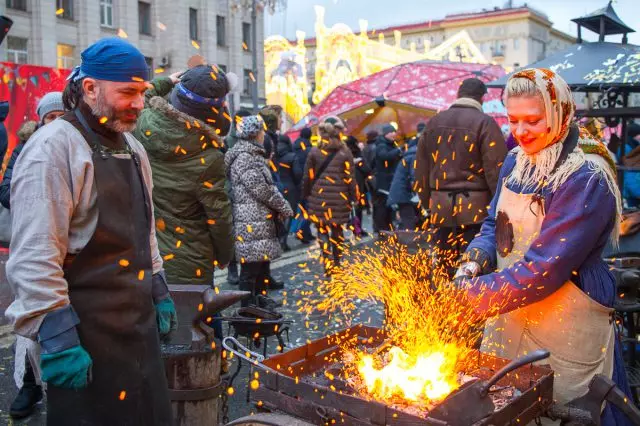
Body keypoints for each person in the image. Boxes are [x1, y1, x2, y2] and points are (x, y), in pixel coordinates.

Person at [4, 38, 176, 425]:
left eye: (142, 93)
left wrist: (158, 285)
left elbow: (144, 229)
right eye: (127, 92)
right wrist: (57, 336)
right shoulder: (53, 149)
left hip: (137, 325)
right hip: (84, 332)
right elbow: (34, 254)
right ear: (90, 88)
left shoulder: (133, 147)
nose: (138, 103)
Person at [455, 68, 632, 425]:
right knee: (508, 400)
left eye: (533, 121)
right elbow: (494, 224)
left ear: (561, 114)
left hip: (568, 309)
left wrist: (467, 299)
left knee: (563, 403)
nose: (520, 132)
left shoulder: (586, 176)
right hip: (510, 301)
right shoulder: (514, 161)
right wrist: (471, 264)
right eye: (513, 120)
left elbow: (544, 269)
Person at [133, 65, 234, 286]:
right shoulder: (209, 157)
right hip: (189, 261)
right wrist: (225, 255)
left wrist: (167, 81)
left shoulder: (142, 121)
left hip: (143, 255)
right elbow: (218, 215)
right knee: (200, 318)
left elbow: (145, 94)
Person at [2, 92, 65, 419]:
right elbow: (6, 189)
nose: (53, 122)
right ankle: (29, 383)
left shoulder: (73, 146)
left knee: (59, 313)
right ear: (40, 119)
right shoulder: (26, 147)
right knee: (29, 313)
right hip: (30, 240)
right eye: (48, 117)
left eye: (59, 116)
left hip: (64, 246)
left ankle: (59, 383)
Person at [415, 78, 506, 271]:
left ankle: (443, 300)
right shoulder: (485, 123)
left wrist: (427, 204)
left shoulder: (434, 123)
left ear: (459, 94)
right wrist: (501, 208)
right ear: (482, 98)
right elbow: (496, 171)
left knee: (444, 265)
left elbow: (421, 170)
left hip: (441, 208)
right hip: (477, 211)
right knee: (473, 265)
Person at [225, 115, 293, 307]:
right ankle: (247, 309)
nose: (264, 134)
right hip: (251, 221)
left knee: (261, 264)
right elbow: (261, 189)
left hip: (258, 219)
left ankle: (261, 303)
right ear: (255, 133)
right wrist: (284, 206)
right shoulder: (245, 157)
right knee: (250, 269)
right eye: (262, 131)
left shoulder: (252, 154)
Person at [302, 117, 356, 275]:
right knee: (337, 232)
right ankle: (338, 262)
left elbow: (307, 177)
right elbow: (350, 178)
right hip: (340, 198)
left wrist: (305, 195)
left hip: (318, 199)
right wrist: (354, 197)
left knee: (322, 231)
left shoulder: (314, 151)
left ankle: (328, 264)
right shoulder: (345, 152)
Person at [225, 109, 252, 286]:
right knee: (235, 233)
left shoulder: (247, 140)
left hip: (245, 192)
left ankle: (247, 270)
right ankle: (232, 269)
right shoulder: (230, 142)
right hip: (234, 192)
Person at [387, 125, 421, 231]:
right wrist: (419, 192)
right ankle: (408, 244)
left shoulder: (410, 154)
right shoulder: (415, 155)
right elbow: (414, 175)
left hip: (401, 193)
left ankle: (407, 242)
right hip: (403, 193)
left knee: (408, 218)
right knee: (408, 219)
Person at [373, 124, 402, 233]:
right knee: (383, 205)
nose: (394, 134)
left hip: (390, 180)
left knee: (389, 205)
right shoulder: (381, 145)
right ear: (386, 134)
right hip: (384, 182)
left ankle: (388, 226)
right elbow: (385, 156)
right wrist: (398, 151)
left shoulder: (391, 144)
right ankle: (382, 228)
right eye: (391, 132)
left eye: (394, 131)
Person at [275, 134, 298, 251]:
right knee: (288, 214)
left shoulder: (273, 155)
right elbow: (297, 174)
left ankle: (279, 240)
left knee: (279, 215)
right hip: (290, 188)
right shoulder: (291, 156)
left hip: (276, 187)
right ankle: (283, 241)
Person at [345, 135, 371, 237]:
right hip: (358, 185)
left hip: (347, 185)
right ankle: (357, 228)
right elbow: (366, 170)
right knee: (358, 208)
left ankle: (354, 227)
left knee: (352, 208)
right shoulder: (357, 154)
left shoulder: (343, 154)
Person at [293, 127, 315, 243]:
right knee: (311, 210)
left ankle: (307, 234)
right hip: (308, 184)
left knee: (303, 210)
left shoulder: (293, 148)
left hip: (296, 184)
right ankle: (301, 231)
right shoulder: (310, 150)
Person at [622, 122, 640, 208]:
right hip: (633, 189)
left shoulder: (631, 145)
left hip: (633, 187)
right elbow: (629, 173)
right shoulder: (627, 148)